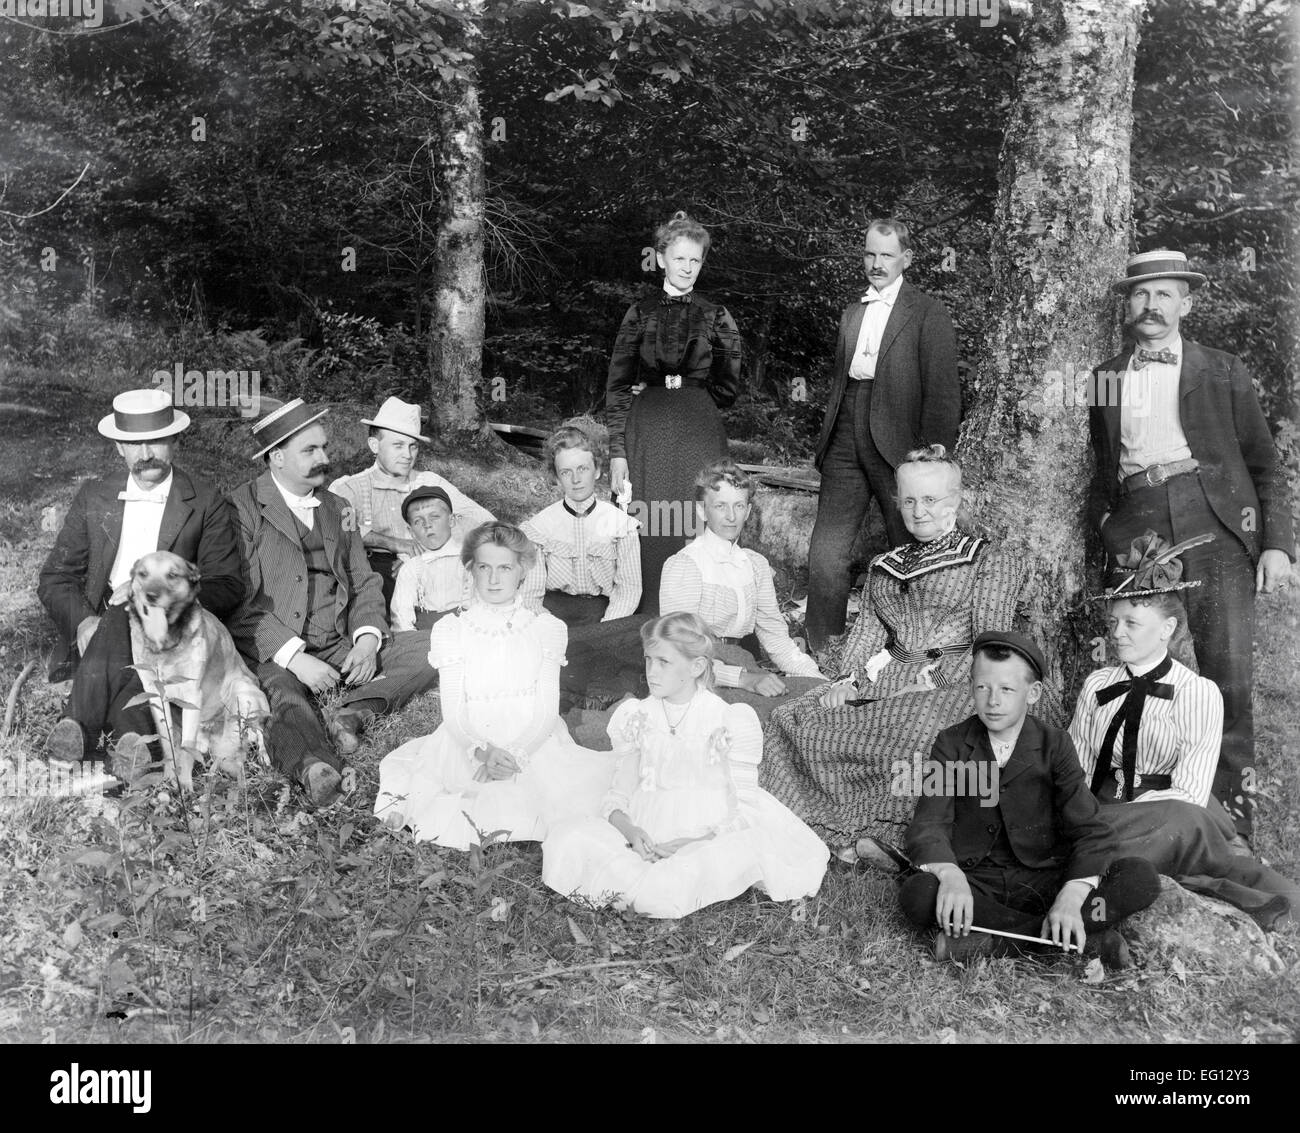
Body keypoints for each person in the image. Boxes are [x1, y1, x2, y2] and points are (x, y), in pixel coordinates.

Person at [1088, 249, 1294, 842]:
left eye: (1164, 294)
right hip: (1138, 524)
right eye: (1140, 294)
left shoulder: (1222, 369)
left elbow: (1265, 462)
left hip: (1216, 520)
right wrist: (1107, 526)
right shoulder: (1105, 375)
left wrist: (1277, 544)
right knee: (1137, 671)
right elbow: (1100, 466)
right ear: (1128, 304)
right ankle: (1138, 818)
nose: (1150, 305)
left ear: (1186, 303)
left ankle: (1232, 830)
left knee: (1228, 677)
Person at [761, 445, 1022, 857]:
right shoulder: (886, 564)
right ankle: (820, 822)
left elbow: (992, 644)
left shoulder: (988, 560)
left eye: (931, 499)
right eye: (909, 500)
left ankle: (893, 838)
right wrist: (847, 681)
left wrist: (932, 683)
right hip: (888, 675)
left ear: (955, 501)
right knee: (796, 716)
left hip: (957, 679)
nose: (919, 511)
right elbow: (868, 634)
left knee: (916, 733)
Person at [1069, 532, 1299, 930]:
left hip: (1172, 810)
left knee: (1178, 823)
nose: (1117, 633)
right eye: (1114, 622)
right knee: (1075, 830)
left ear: (1167, 628)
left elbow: (1190, 793)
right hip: (1103, 809)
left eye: (1131, 623)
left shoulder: (1196, 692)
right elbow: (1077, 767)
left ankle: (1094, 870)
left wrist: (1123, 820)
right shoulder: (1097, 685)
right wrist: (1080, 814)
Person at [899, 631, 1161, 967]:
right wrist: (950, 876)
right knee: (920, 894)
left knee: (1140, 877)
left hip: (1045, 882)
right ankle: (1072, 940)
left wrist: (1070, 897)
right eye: (982, 687)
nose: (993, 701)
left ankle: (994, 943)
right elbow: (929, 822)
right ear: (971, 687)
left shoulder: (1056, 745)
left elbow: (1090, 830)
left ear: (1033, 693)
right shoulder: (951, 744)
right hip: (978, 884)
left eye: (1007, 689)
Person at [542, 613, 828, 918]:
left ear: (697, 667)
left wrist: (696, 843)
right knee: (567, 841)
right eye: (648, 660)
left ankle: (685, 868)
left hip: (707, 826)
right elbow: (619, 791)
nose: (652, 671)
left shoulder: (725, 720)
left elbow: (744, 807)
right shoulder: (638, 715)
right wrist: (630, 830)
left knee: (662, 892)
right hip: (646, 816)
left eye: (664, 662)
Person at [227, 399, 438, 806]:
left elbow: (363, 580)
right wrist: (295, 658)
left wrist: (367, 640)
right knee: (282, 697)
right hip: (277, 650)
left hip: (338, 640)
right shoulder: (241, 508)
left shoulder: (338, 508)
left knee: (435, 645)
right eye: (310, 450)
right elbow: (237, 601)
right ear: (277, 457)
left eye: (323, 447)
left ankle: (353, 713)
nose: (324, 458)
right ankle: (314, 766)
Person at [374, 523, 614, 849]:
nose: (494, 579)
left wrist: (516, 754)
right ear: (471, 569)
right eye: (484, 567)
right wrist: (482, 751)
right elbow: (453, 709)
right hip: (470, 735)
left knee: (558, 794)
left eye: (505, 568)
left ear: (522, 571)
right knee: (458, 792)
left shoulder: (545, 629)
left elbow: (546, 709)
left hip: (532, 737)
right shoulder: (452, 630)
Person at [41, 388, 243, 762]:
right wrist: (84, 622)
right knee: (120, 617)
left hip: (170, 633)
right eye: (134, 444)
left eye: (157, 441)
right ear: (119, 447)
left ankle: (78, 725)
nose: (146, 453)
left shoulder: (205, 501)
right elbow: (56, 576)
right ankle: (135, 750)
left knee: (131, 612)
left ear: (175, 441)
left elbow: (226, 584)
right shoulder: (94, 496)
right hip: (101, 629)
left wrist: (163, 602)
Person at [805, 218, 960, 652]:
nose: (877, 263)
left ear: (905, 259)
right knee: (827, 550)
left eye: (887, 255)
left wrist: (933, 456)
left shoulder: (927, 311)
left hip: (900, 441)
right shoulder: (853, 311)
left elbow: (943, 390)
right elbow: (841, 381)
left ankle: (915, 651)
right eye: (870, 254)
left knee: (911, 545)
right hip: (845, 433)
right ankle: (821, 650)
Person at [605, 210, 742, 613]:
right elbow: (617, 385)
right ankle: (647, 613)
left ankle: (704, 613)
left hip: (698, 427)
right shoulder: (639, 312)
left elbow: (728, 387)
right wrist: (617, 451)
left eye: (695, 260)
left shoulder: (716, 315)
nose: (687, 267)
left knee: (698, 514)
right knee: (650, 518)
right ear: (661, 258)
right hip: (647, 425)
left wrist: (691, 394)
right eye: (679, 258)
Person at [659, 460, 825, 720]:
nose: (731, 516)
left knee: (816, 704)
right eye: (720, 506)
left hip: (743, 664)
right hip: (698, 677)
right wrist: (743, 679)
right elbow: (678, 650)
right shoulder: (686, 564)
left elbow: (777, 640)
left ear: (748, 511)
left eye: (738, 506)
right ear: (702, 510)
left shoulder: (755, 564)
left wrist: (817, 679)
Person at [329, 396, 494, 608]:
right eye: (398, 445)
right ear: (374, 445)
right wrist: (394, 543)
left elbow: (483, 520)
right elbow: (337, 528)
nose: (407, 455)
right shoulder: (350, 487)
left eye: (413, 446)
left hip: (427, 567)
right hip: (369, 573)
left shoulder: (428, 482)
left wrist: (428, 550)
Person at [520, 424, 642, 625]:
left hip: (605, 615)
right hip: (552, 615)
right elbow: (530, 593)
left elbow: (629, 588)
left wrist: (606, 628)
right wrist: (548, 625)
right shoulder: (539, 528)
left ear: (597, 471)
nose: (576, 479)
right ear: (557, 478)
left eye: (582, 469)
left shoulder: (621, 526)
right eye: (566, 472)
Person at [389, 487, 469, 633]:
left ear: (451, 520)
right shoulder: (412, 568)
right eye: (418, 521)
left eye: (434, 517)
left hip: (467, 631)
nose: (427, 525)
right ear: (411, 532)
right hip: (426, 635)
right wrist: (412, 638)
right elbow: (401, 615)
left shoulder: (469, 560)